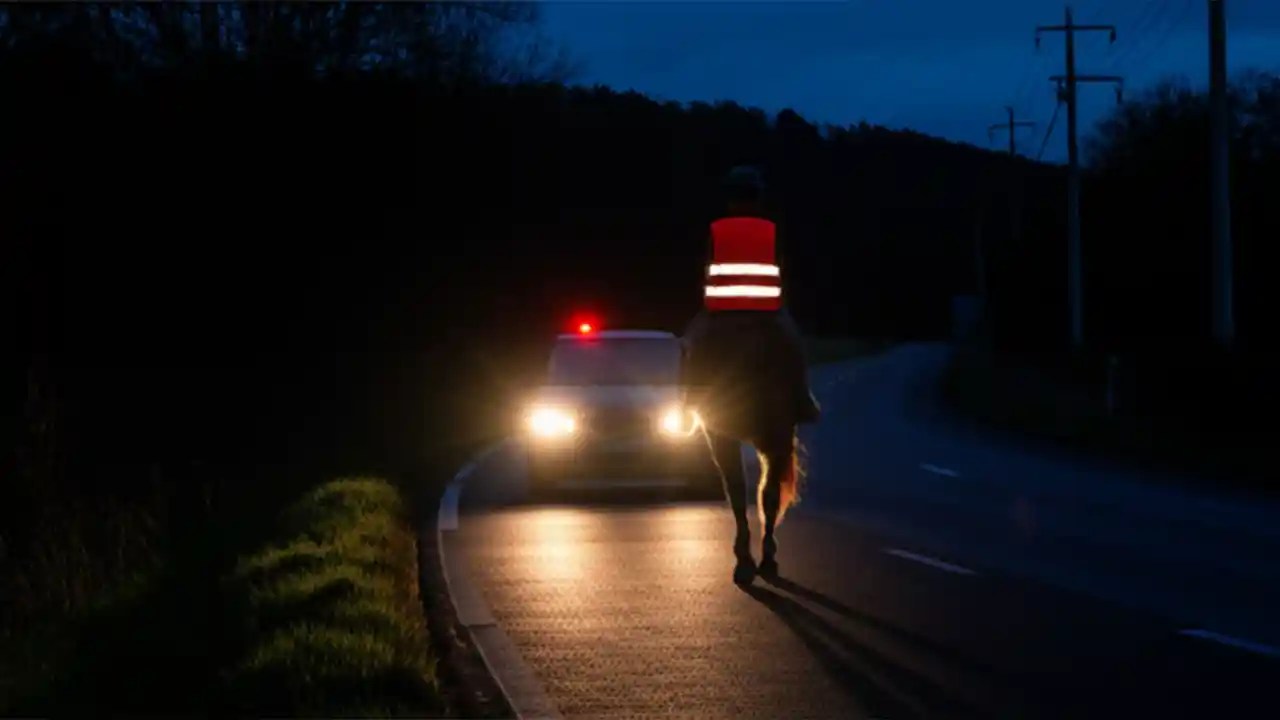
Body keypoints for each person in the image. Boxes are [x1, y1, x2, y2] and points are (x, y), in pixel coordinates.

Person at [682, 166, 821, 424]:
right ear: (758, 197)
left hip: (719, 314)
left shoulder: (716, 229)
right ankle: (802, 400)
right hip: (767, 313)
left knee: (690, 345)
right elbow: (781, 270)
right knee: (794, 345)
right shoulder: (771, 229)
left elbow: (705, 269)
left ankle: (689, 401)